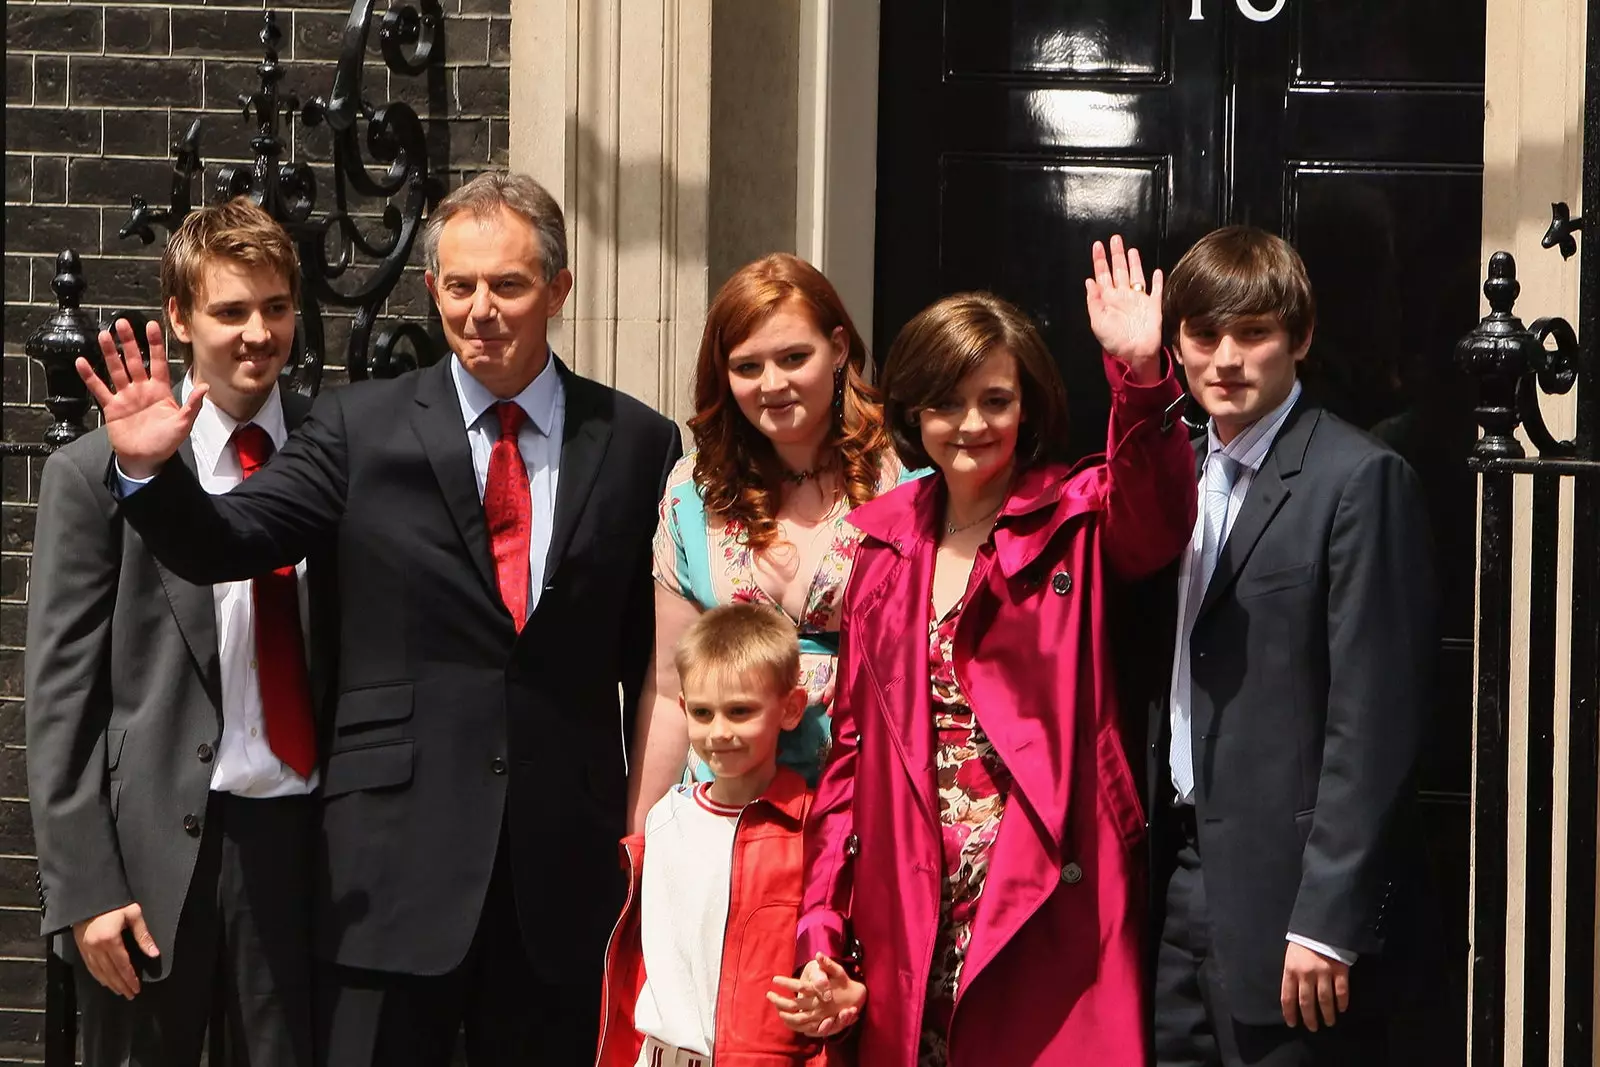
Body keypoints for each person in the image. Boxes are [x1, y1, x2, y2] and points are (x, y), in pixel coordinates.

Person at [76, 173, 682, 1066]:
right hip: (389, 872)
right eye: (461, 285)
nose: (482, 310)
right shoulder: (361, 426)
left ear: (558, 289)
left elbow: (654, 668)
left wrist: (646, 836)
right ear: (432, 288)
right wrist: (150, 477)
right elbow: (227, 541)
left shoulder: (637, 440)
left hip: (562, 869)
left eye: (508, 285)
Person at [777, 237, 1197, 1066]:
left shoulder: (1077, 513)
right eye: (945, 402)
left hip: (1046, 883)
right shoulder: (881, 546)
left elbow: (1156, 517)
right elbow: (850, 757)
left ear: (1029, 407)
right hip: (914, 893)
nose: (970, 424)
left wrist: (1141, 375)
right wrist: (822, 925)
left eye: (994, 400)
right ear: (913, 413)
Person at [26, 197, 324, 1066]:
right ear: (181, 320)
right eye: (230, 311)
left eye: (274, 308)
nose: (256, 334)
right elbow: (60, 694)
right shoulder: (93, 474)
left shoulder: (335, 450)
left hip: (297, 847)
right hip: (149, 855)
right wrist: (84, 888)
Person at [1141, 226, 1436, 1066]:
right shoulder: (1174, 474)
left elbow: (1373, 721)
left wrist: (1328, 918)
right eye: (1204, 335)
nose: (1226, 358)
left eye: (1254, 333)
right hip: (1180, 880)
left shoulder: (1359, 477)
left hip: (1292, 901)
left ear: (1299, 338)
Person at [626, 254, 914, 828]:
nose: (772, 384)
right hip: (727, 819)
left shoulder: (903, 485)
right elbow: (667, 692)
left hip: (865, 813)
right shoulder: (693, 492)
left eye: (793, 358)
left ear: (837, 350)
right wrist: (643, 840)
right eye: (747, 366)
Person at [597, 603, 835, 1067]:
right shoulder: (664, 820)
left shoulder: (814, 830)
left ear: (790, 708)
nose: (719, 731)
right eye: (703, 713)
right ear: (684, 709)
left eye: (740, 711)